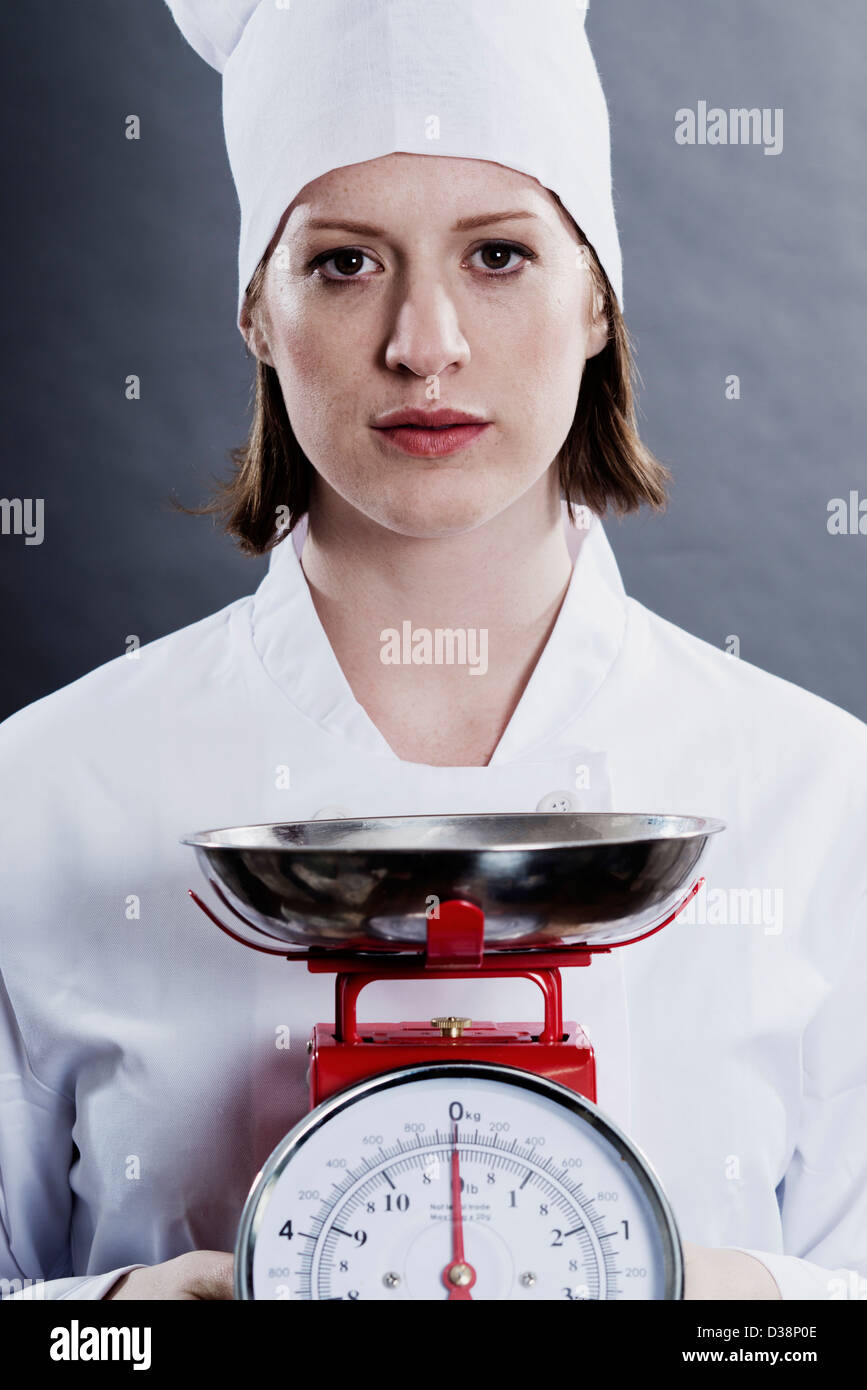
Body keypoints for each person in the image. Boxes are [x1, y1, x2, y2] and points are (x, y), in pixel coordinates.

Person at [1, 0, 865, 1302]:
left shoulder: (821, 793)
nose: (426, 344)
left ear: (595, 297)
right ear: (255, 311)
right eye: (346, 262)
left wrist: (743, 1309)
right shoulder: (42, 791)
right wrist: (121, 1327)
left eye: (500, 254)